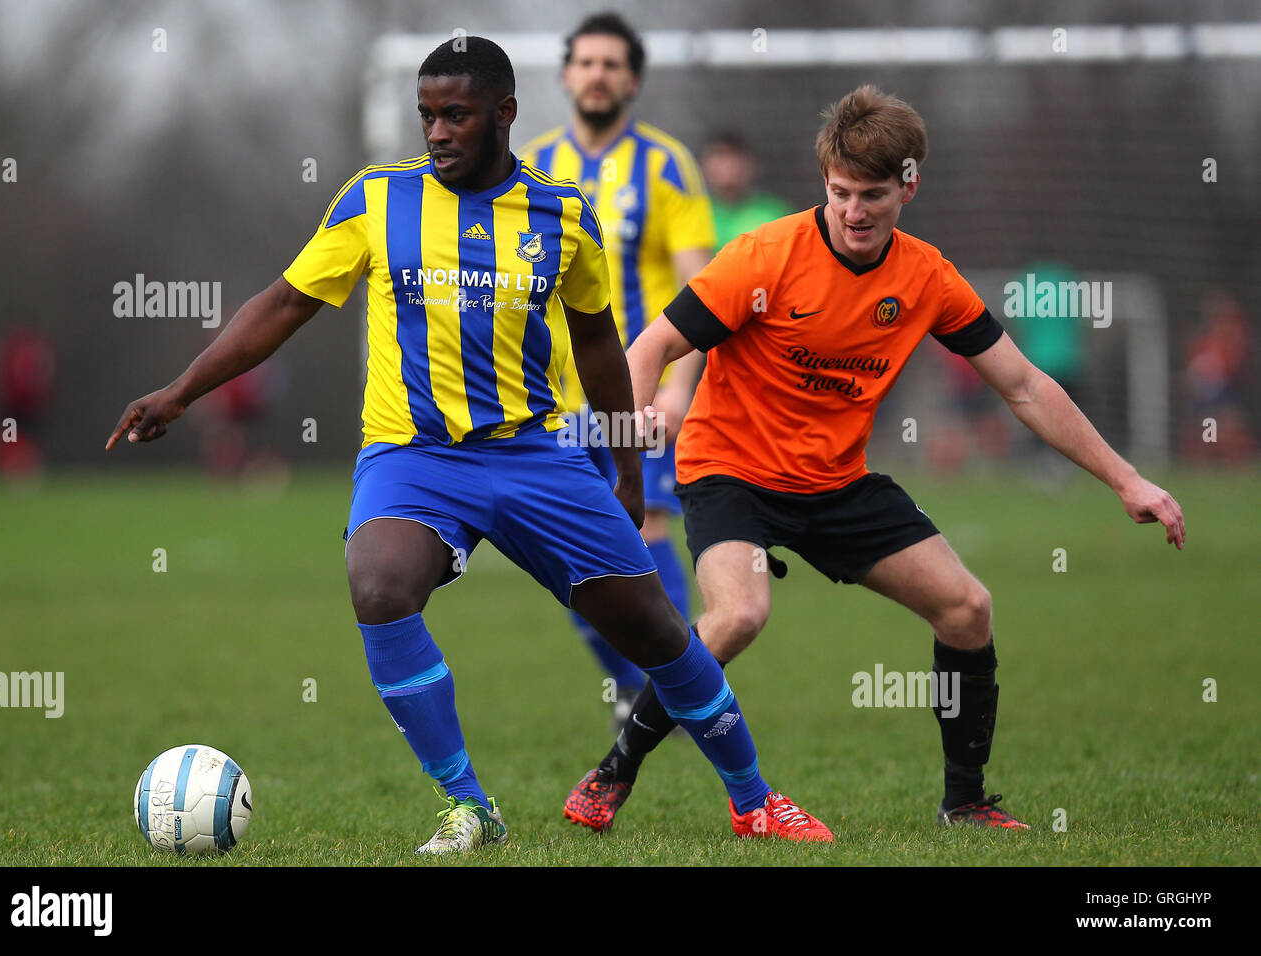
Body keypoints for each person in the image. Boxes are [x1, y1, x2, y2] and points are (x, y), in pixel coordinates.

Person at [106, 36, 832, 853]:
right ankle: (469, 805)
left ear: (505, 114)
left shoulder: (560, 215)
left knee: (658, 632)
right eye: (427, 116)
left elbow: (598, 344)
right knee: (379, 589)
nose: (437, 131)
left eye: (455, 114)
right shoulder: (376, 200)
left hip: (537, 455)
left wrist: (626, 467)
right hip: (412, 457)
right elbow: (283, 303)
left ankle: (754, 797)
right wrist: (181, 390)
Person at [563, 84, 1186, 835]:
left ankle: (966, 802)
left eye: (873, 195)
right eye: (840, 193)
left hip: (835, 482)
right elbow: (653, 344)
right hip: (731, 470)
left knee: (967, 608)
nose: (854, 211)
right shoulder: (765, 255)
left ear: (909, 185)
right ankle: (613, 772)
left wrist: (1128, 479)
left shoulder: (926, 278)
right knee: (739, 615)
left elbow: (1022, 386)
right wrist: (628, 456)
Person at [520, 13, 713, 719]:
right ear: (568, 73)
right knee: (567, 557)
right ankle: (640, 689)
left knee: (646, 527)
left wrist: (680, 387)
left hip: (638, 397)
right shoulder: (531, 165)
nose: (598, 74)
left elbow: (703, 292)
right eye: (586, 62)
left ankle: (683, 687)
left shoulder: (665, 165)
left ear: (632, 79)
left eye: (612, 64)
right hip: (548, 402)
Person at [700, 131, 793, 248]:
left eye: (734, 157)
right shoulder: (697, 212)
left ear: (752, 165)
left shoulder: (775, 213)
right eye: (720, 156)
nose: (727, 165)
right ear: (704, 166)